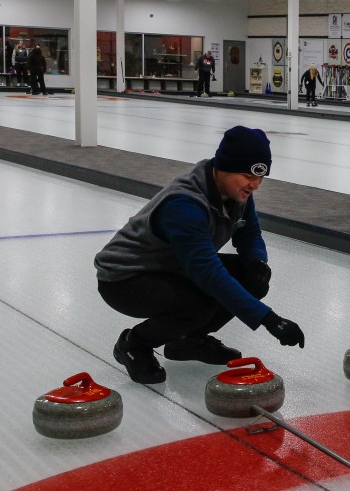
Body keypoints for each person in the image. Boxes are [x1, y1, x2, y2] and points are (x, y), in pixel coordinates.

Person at [94, 126, 305, 384]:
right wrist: (270, 320)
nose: (256, 185)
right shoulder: (184, 205)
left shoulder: (236, 193)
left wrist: (257, 262)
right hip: (125, 278)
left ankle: (187, 341)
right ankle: (134, 344)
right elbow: (209, 275)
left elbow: (249, 232)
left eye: (260, 176)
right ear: (225, 166)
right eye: (247, 175)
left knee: (251, 278)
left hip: (171, 267)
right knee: (198, 304)